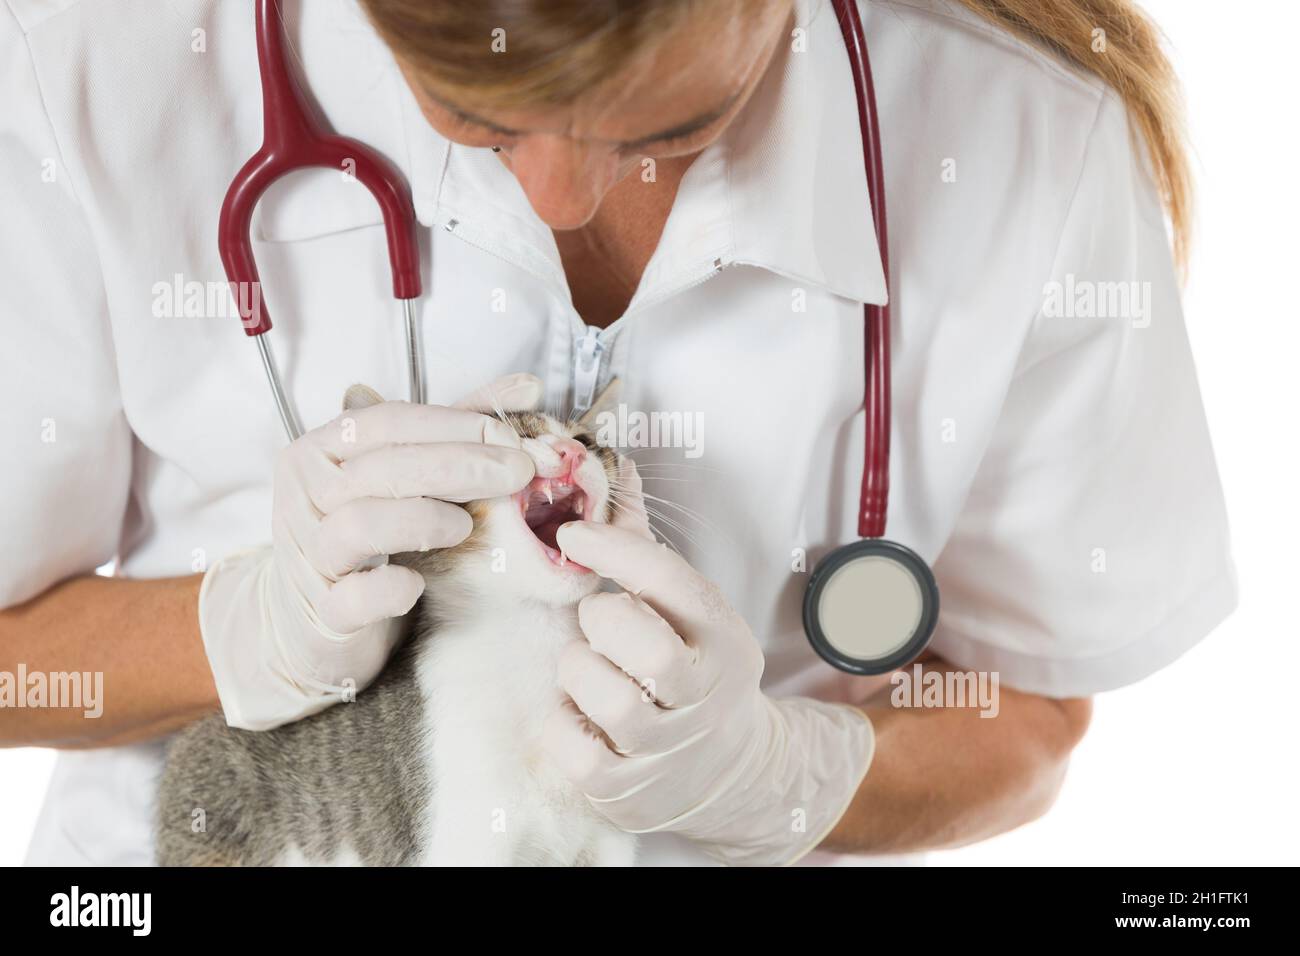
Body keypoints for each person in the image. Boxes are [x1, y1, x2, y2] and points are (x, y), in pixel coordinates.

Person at [0, 0, 1234, 866]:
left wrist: (772, 771)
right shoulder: (89, 68)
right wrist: (241, 629)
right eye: (471, 115)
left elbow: (1026, 715)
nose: (561, 197)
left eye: (668, 128)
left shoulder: (1024, 141)